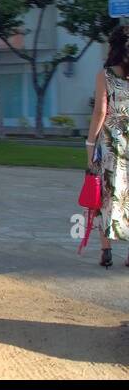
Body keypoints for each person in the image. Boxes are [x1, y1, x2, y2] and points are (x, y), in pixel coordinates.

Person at [86, 25, 129, 268]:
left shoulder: (105, 75)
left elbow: (100, 112)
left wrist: (90, 144)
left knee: (105, 194)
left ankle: (106, 251)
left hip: (112, 142)